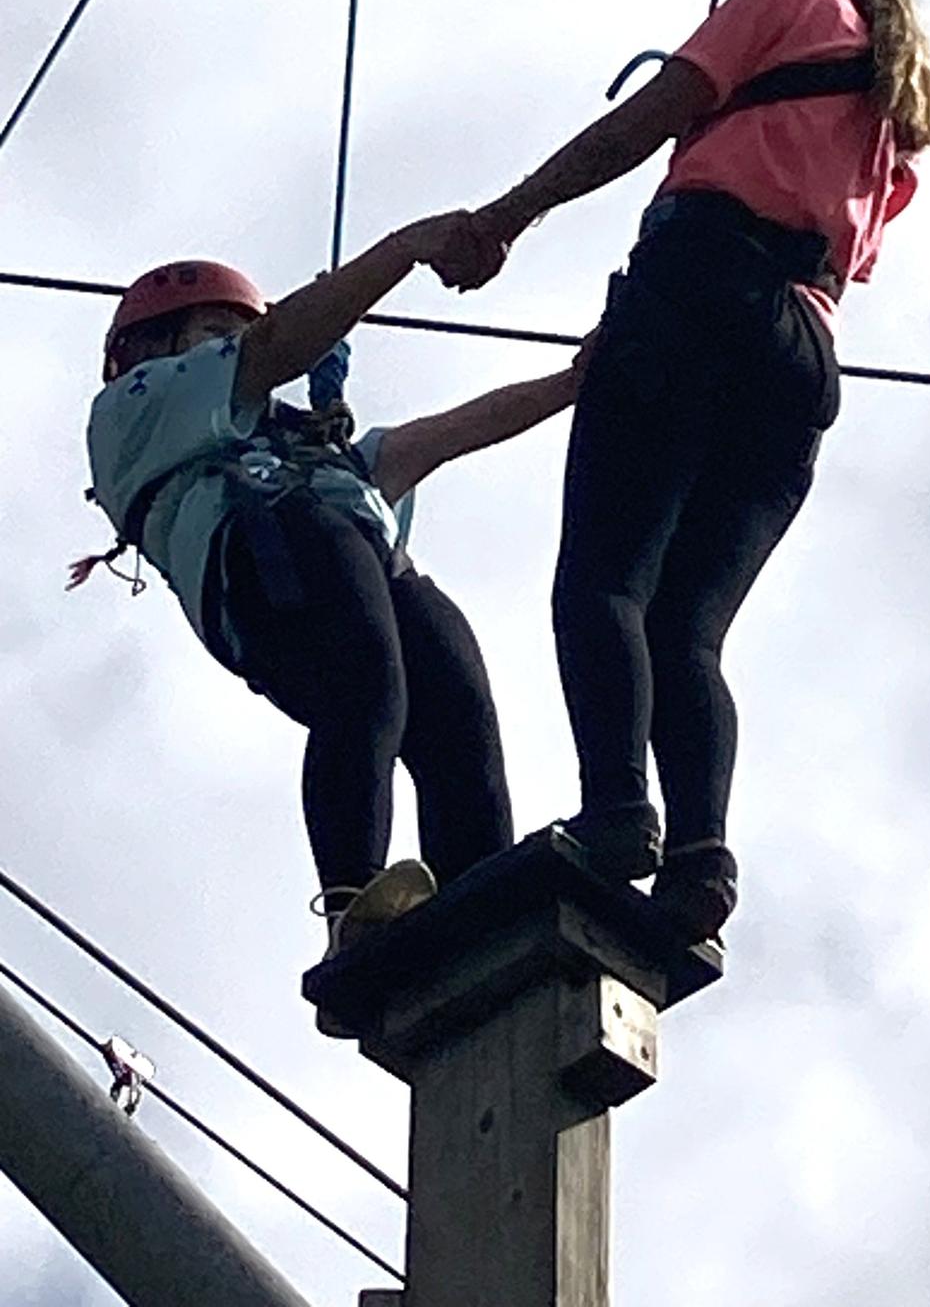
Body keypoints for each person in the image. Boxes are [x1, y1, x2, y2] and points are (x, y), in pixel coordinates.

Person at [431, 0, 930, 942]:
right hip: (801, 356)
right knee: (687, 630)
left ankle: (621, 811)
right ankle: (702, 859)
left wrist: (505, 216)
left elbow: (645, 121)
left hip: (699, 285)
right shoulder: (889, 112)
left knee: (602, 581)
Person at [79, 220, 579, 965]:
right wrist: (409, 247)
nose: (229, 344)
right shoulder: (140, 406)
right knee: (367, 682)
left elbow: (433, 438)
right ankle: (350, 904)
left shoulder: (316, 450)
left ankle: (481, 899)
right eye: (213, 329)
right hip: (261, 558)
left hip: (330, 552)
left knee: (453, 700)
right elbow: (277, 346)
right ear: (150, 348)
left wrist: (578, 379)